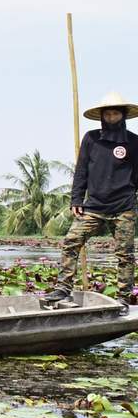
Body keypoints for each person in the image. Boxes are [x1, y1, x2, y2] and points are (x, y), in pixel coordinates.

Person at [45, 92, 138, 304]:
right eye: (108, 114)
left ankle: (124, 297)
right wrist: (76, 199)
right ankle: (63, 288)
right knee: (71, 242)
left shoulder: (134, 142)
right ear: (102, 116)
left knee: (125, 254)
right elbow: (81, 171)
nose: (112, 117)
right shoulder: (91, 138)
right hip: (94, 206)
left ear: (123, 116)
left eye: (116, 114)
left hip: (123, 207)